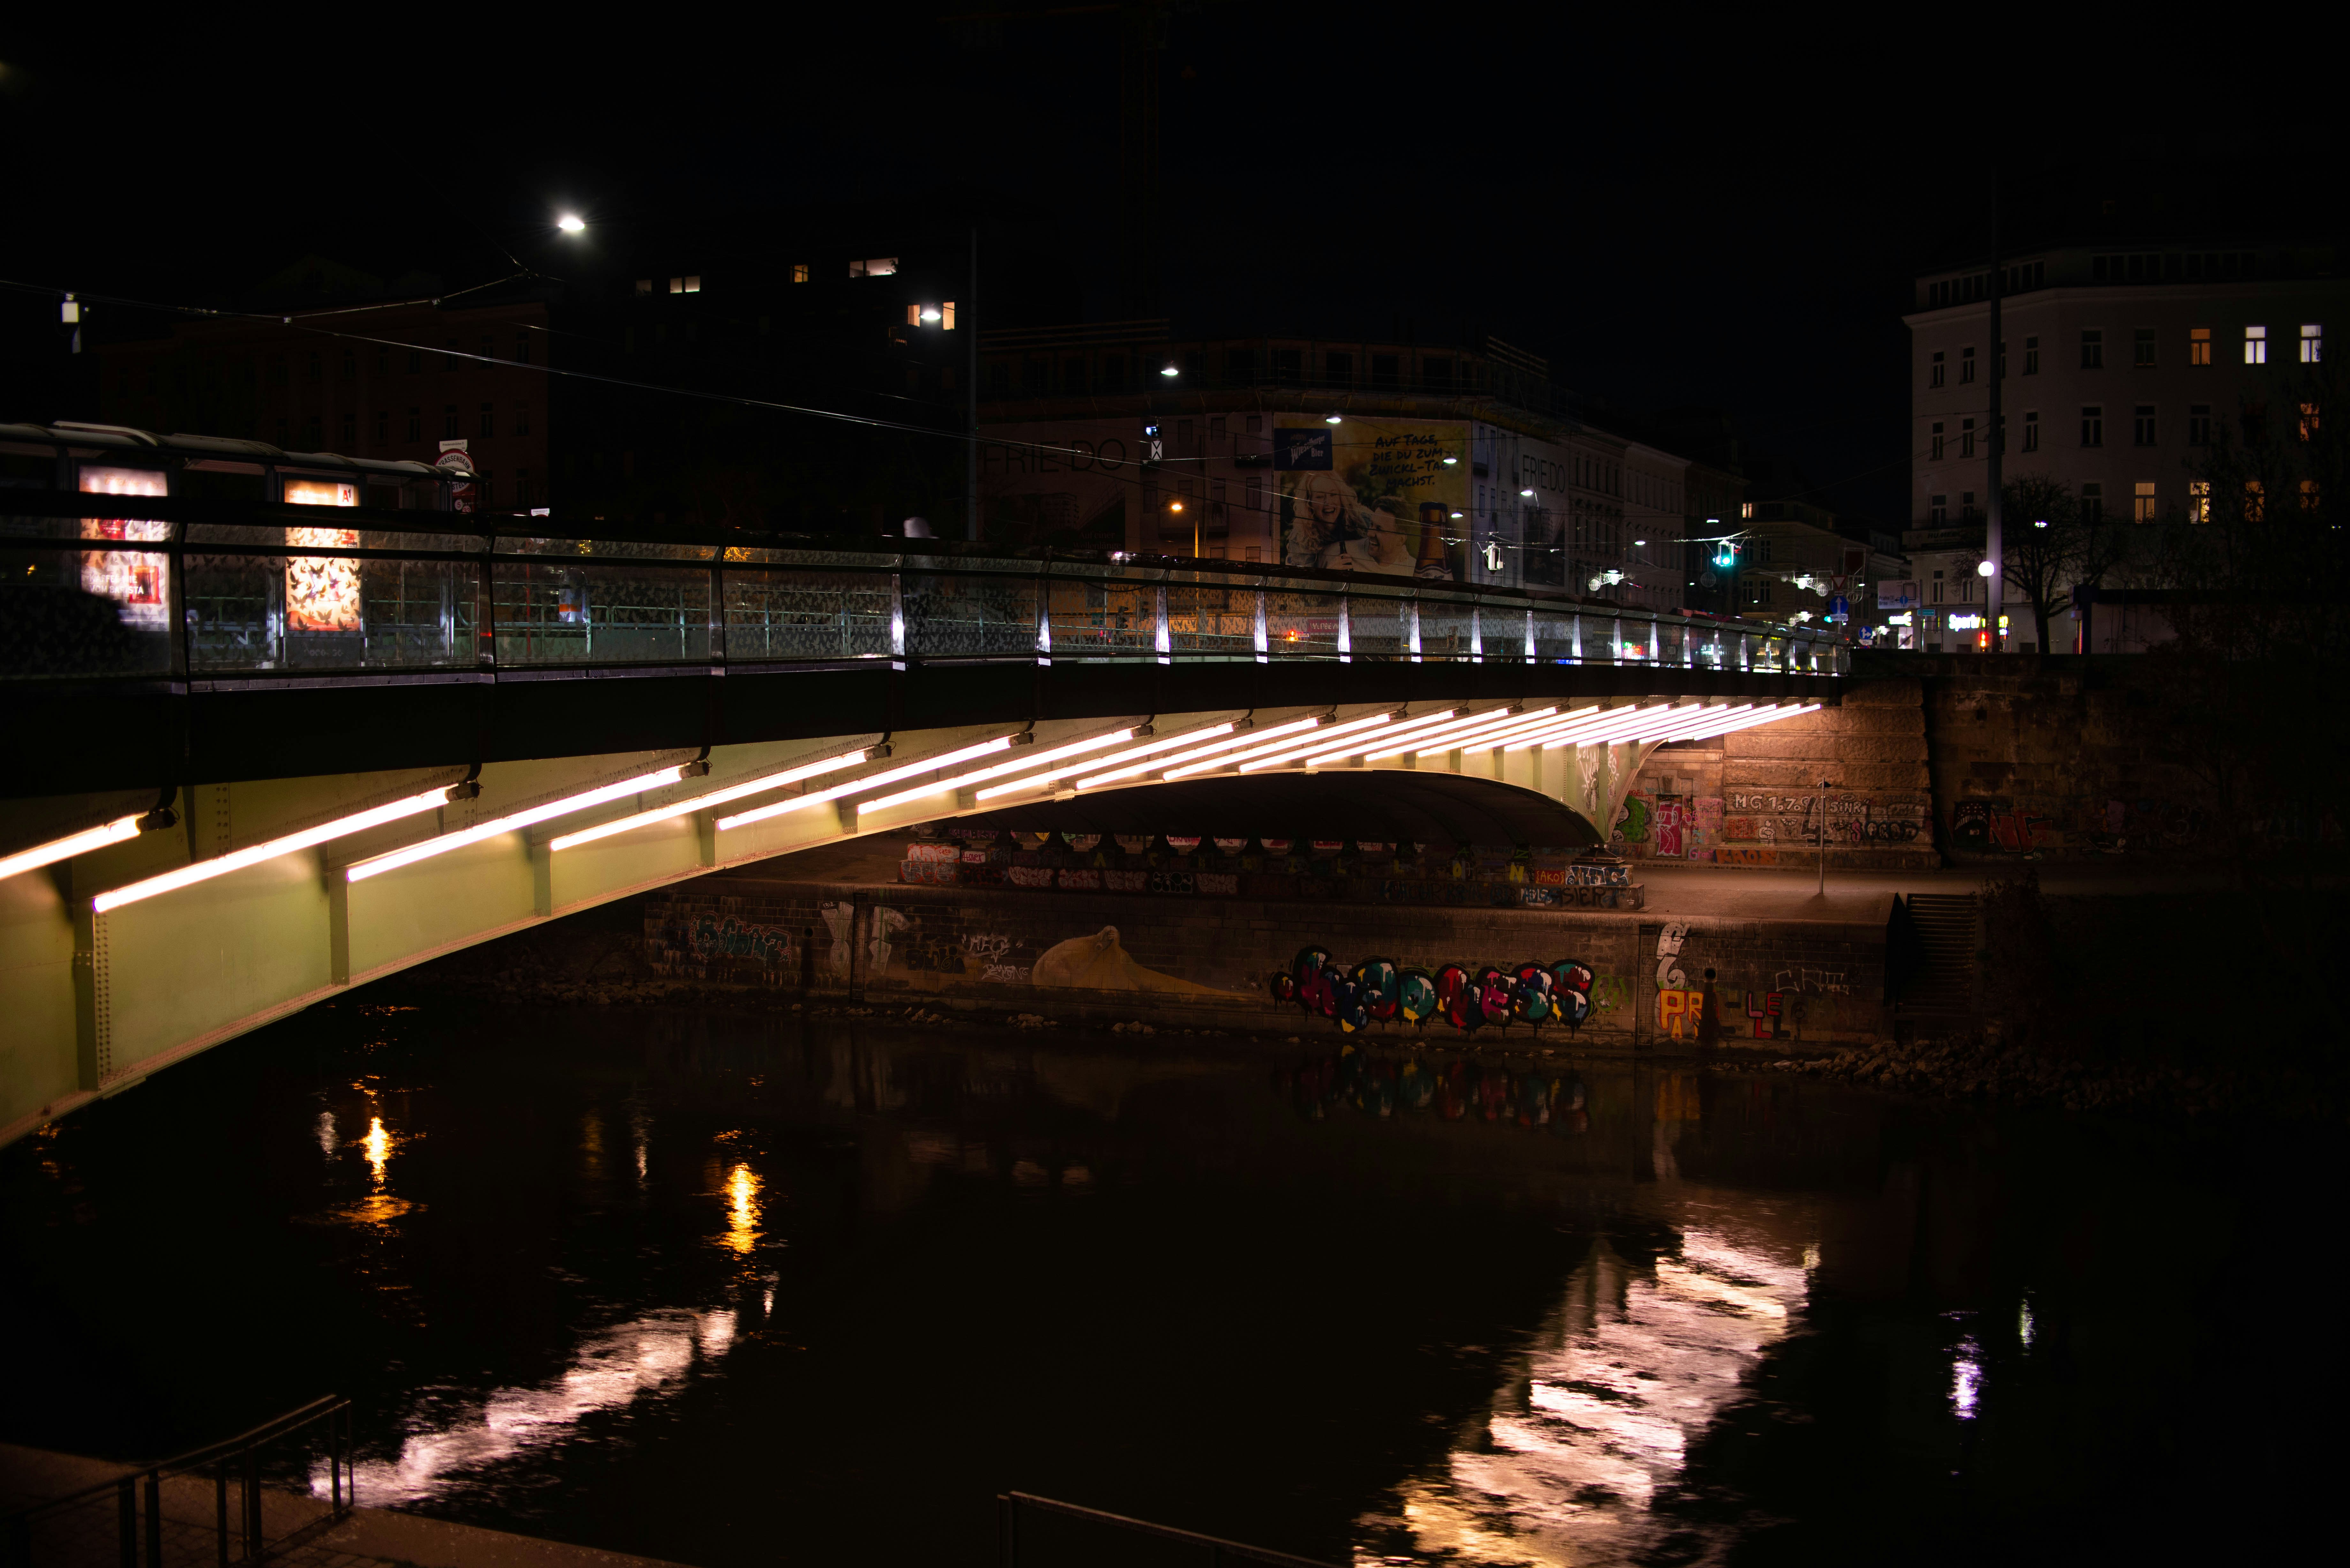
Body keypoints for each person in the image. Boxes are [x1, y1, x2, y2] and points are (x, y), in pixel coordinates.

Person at [1697, 966, 1724, 1047]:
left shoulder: (1711, 994)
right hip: (1709, 1016)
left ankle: (1707, 1041)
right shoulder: (1711, 994)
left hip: (1709, 1016)